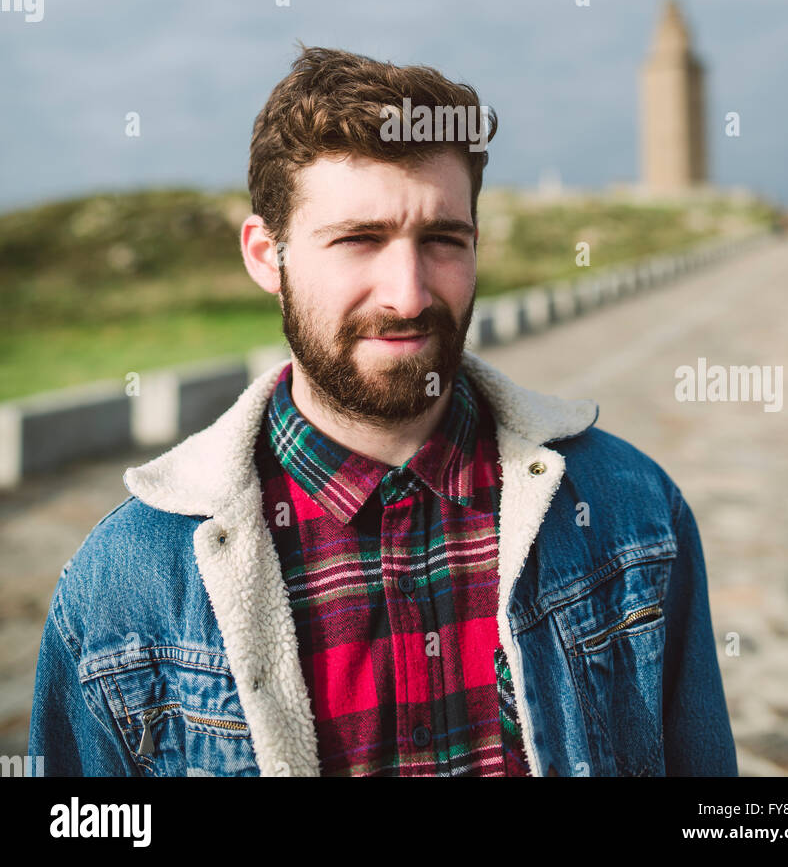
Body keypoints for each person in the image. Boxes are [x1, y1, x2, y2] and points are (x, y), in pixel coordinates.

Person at [28, 45, 737, 777]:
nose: (408, 294)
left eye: (441, 240)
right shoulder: (122, 583)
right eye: (358, 240)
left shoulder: (631, 511)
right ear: (266, 255)